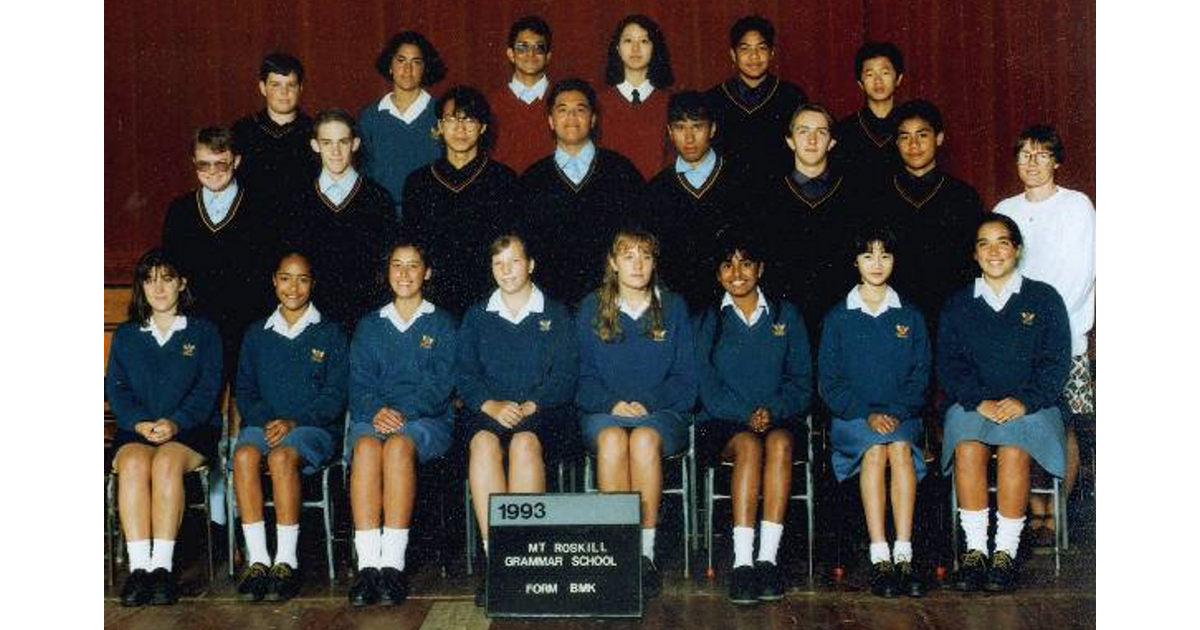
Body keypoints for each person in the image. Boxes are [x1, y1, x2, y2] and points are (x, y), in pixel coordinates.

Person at [938, 214, 1071, 593]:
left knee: (1015, 449)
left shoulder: (1044, 298)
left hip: (1032, 406)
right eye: (984, 243)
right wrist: (977, 400)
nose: (994, 251)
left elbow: (1056, 363)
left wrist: (1024, 401)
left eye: (1002, 242)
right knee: (967, 448)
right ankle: (976, 553)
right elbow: (950, 366)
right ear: (974, 253)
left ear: (1017, 249)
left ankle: (1005, 555)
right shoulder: (959, 304)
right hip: (975, 405)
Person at [456, 234, 580, 606]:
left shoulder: (555, 313)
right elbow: (464, 373)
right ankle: (498, 561)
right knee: (482, 443)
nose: (506, 271)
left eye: (514, 262)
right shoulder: (477, 315)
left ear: (531, 265)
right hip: (490, 411)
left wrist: (531, 405)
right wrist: (489, 404)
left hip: (543, 414)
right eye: (498, 263)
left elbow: (566, 375)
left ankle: (525, 557)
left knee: (524, 444)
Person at [575, 229, 697, 599]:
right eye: (628, 256)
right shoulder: (590, 307)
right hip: (604, 412)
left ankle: (644, 553)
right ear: (613, 263)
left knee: (643, 439)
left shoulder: (673, 307)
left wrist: (647, 401)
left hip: (662, 413)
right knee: (613, 439)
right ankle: (617, 551)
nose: (638, 264)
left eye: (645, 255)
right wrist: (612, 404)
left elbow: (686, 379)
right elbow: (580, 377)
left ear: (655, 262)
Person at [694, 230, 811, 605]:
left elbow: (802, 381)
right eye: (728, 265)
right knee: (748, 445)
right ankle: (742, 563)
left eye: (746, 263)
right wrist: (745, 415)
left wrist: (772, 411)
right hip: (726, 422)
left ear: (760, 269)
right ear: (718, 275)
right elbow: (705, 387)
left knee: (778, 443)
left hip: (778, 416)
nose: (737, 272)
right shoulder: (710, 319)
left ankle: (767, 560)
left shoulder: (785, 314)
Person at [993, 124, 1095, 547]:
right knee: (1023, 422)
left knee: (1062, 424)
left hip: (1064, 335)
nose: (1032, 163)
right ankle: (1031, 512)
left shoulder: (1078, 207)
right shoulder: (1005, 208)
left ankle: (1055, 513)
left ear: (1057, 161)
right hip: (1014, 340)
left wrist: (1046, 324)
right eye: (1024, 155)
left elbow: (1082, 274)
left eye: (1041, 154)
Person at [106, 248, 223, 607]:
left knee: (166, 464)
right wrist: (139, 423)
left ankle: (162, 569)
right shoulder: (127, 335)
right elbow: (117, 388)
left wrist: (176, 422)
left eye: (167, 278)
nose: (158, 288)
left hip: (190, 429)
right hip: (137, 429)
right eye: (150, 279)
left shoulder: (204, 332)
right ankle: (140, 570)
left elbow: (208, 390)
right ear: (141, 287)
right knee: (134, 465)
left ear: (182, 283)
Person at [817, 227, 930, 598]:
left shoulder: (910, 315)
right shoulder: (838, 317)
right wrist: (866, 413)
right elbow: (830, 383)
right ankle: (880, 554)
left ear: (895, 260)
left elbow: (921, 376)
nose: (877, 264)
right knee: (876, 449)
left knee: (897, 448)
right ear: (855, 262)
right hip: (854, 421)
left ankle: (904, 553)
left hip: (902, 418)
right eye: (868, 256)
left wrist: (896, 411)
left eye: (885, 255)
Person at [345, 240, 458, 607]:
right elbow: (358, 382)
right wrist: (377, 410)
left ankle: (392, 564)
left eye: (414, 266)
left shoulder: (442, 323)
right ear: (387, 272)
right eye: (397, 265)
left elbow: (442, 385)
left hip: (427, 420)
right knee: (364, 447)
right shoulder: (369, 325)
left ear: (427, 272)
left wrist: (402, 413)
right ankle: (368, 566)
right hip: (371, 417)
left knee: (396, 447)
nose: (405, 274)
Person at [231, 252, 348, 603]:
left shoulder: (330, 332)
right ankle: (257, 560)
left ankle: (285, 560)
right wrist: (267, 420)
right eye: (285, 278)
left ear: (312, 283)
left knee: (282, 459)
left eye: (302, 279)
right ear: (274, 281)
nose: (293, 287)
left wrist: (294, 422)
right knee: (245, 455)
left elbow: (336, 395)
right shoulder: (256, 333)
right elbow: (245, 391)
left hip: (312, 428)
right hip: (263, 425)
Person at [162, 126, 277, 384]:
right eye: (204, 164)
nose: (212, 172)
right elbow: (171, 276)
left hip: (246, 325)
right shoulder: (179, 211)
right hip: (195, 324)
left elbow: (267, 274)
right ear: (193, 162)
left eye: (220, 164)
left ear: (236, 161)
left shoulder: (262, 208)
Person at [518, 78, 645, 306]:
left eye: (580, 110)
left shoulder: (622, 171)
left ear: (593, 119)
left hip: (615, 301)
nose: (571, 118)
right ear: (550, 120)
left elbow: (640, 239)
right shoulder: (532, 179)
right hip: (551, 306)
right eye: (563, 110)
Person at [401, 86, 519, 317]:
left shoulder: (503, 179)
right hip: (433, 300)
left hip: (490, 299)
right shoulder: (418, 182)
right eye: (452, 119)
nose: (460, 128)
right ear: (439, 127)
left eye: (470, 120)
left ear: (483, 127)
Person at [284, 108, 399, 335]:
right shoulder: (299, 200)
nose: (335, 151)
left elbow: (385, 265)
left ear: (355, 144)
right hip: (313, 317)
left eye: (343, 142)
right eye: (327, 143)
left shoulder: (378, 198)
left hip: (366, 317)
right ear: (315, 145)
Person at [874, 99, 983, 329]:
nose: (913, 144)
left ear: (939, 138)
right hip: (893, 317)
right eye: (905, 137)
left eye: (922, 135)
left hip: (951, 317)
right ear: (896, 143)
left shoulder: (963, 197)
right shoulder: (879, 196)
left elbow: (974, 266)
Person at [762, 103, 866, 336]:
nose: (812, 140)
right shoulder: (768, 196)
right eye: (803, 131)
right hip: (784, 317)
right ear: (790, 141)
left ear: (832, 142)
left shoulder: (854, 194)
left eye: (821, 132)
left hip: (842, 318)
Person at [645, 91, 748, 311]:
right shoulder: (656, 189)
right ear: (670, 132)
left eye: (697, 127)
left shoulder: (740, 182)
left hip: (731, 306)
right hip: (675, 309)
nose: (689, 138)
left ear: (712, 129)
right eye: (681, 128)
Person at [706, 15, 807, 188]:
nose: (754, 56)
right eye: (745, 49)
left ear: (772, 53)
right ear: (733, 54)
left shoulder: (791, 96)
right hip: (726, 197)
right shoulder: (712, 99)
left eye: (761, 48)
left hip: (780, 195)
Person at [358, 31, 446, 219]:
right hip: (382, 216)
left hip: (433, 213)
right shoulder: (370, 117)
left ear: (425, 68)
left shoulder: (441, 114)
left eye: (416, 62)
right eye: (401, 60)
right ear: (390, 66)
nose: (408, 69)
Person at [231, 52, 319, 208]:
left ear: (300, 88)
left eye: (291, 85)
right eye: (276, 85)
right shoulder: (242, 131)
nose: (284, 92)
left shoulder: (314, 131)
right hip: (253, 222)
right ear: (263, 88)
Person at [597, 14, 675, 180]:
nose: (635, 49)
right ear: (617, 48)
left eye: (644, 41)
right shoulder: (598, 103)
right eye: (628, 41)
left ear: (654, 48)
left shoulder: (670, 103)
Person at [831, 42, 906, 189]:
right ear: (860, 83)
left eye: (885, 73)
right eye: (870, 74)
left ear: (898, 79)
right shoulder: (845, 130)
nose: (878, 81)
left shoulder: (910, 126)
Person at [487, 15, 555, 174]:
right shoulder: (490, 104)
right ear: (511, 54)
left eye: (539, 47)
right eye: (522, 47)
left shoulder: (563, 101)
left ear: (548, 57)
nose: (530, 54)